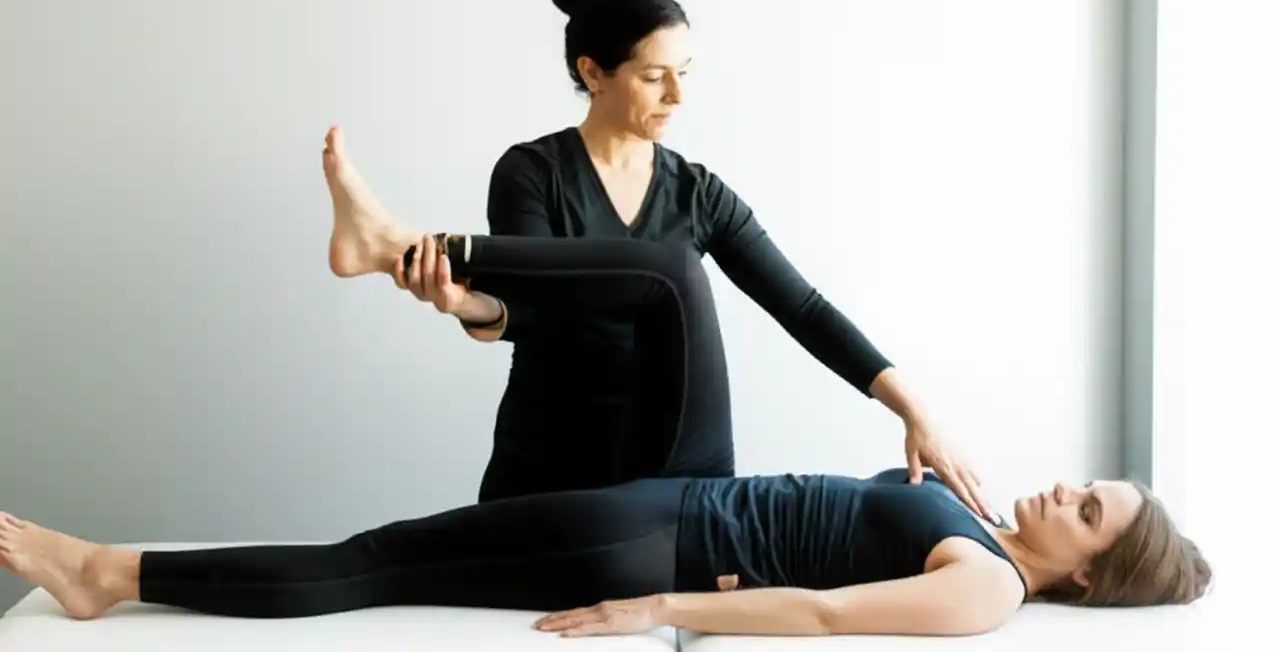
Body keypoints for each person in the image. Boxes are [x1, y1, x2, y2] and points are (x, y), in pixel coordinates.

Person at [0, 153, 1211, 636]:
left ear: (1090, 573)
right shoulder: (972, 511)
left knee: (378, 559)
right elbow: (798, 332)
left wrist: (657, 610)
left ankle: (111, 575)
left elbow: (826, 618)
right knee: (674, 274)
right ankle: (409, 248)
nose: (1066, 488)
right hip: (690, 488)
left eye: (1088, 510)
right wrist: (914, 421)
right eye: (1090, 486)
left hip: (648, 542)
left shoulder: (988, 590)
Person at [390, 0, 997, 521]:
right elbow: (530, 309)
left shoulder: (698, 194)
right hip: (548, 464)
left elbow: (802, 308)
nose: (677, 96)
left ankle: (391, 240)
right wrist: (466, 305)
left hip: (663, 470)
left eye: (683, 74)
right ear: (592, 73)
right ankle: (390, 243)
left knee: (671, 271)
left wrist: (913, 409)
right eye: (654, 78)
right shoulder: (532, 172)